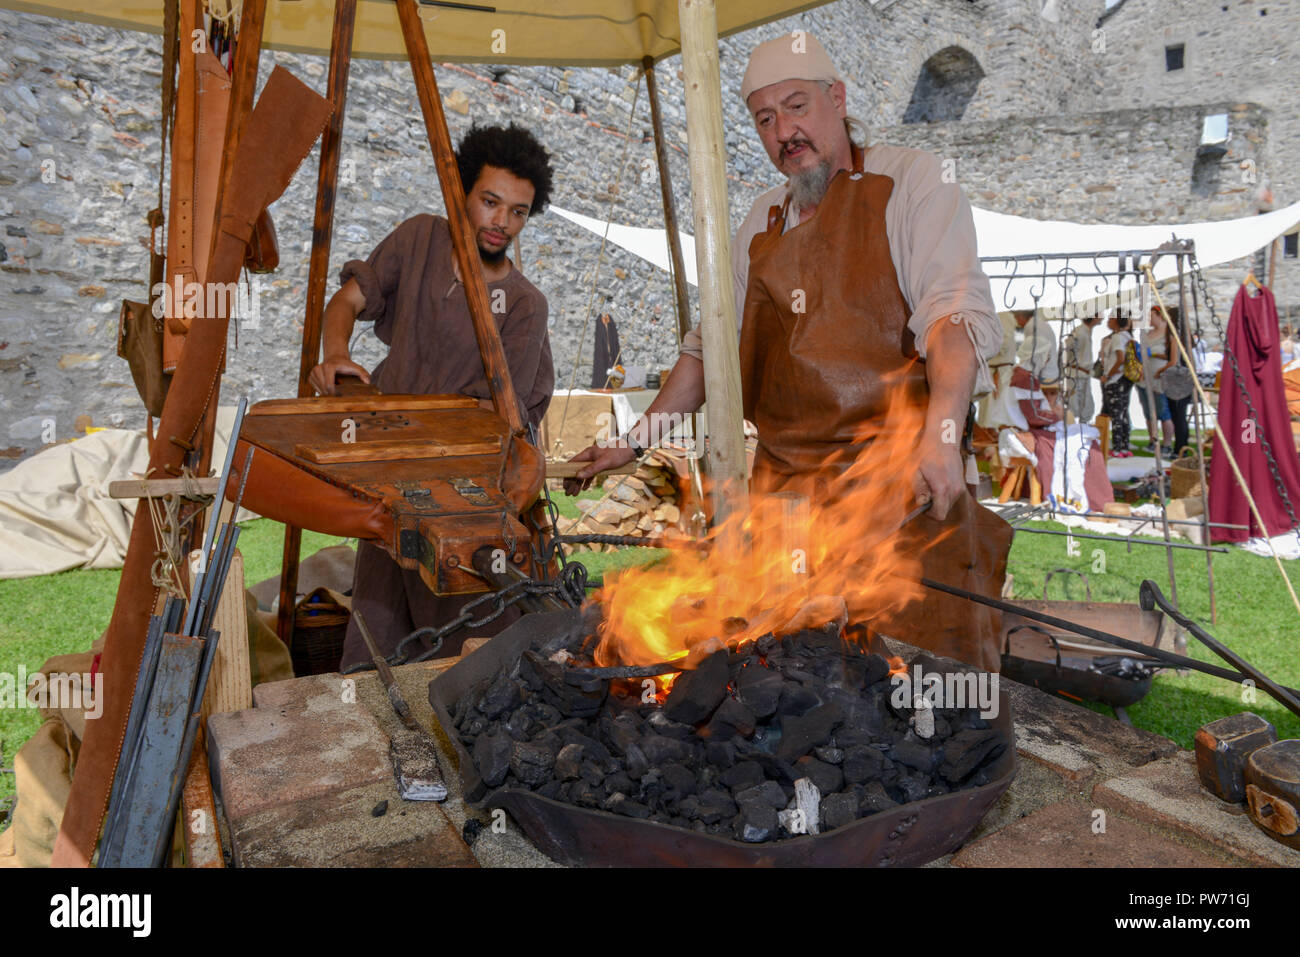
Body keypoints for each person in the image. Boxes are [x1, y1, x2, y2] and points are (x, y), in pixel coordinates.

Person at [564, 32, 1010, 672]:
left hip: (900, 501)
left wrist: (940, 434)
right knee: (790, 689)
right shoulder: (759, 222)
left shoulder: (912, 184)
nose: (784, 132)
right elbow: (705, 354)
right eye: (765, 119)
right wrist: (634, 441)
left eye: (797, 107)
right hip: (787, 517)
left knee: (925, 694)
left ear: (838, 98)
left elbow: (952, 319)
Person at [307, 123, 556, 669]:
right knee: (376, 635)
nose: (501, 222)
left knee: (463, 648)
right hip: (385, 477)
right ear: (461, 193)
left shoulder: (524, 305)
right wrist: (335, 355)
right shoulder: (419, 239)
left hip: (460, 494)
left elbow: (494, 419)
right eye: (490, 202)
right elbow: (345, 302)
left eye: (518, 211)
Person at [1136, 306, 1174, 456]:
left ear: (1159, 315)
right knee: (1148, 412)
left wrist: (1155, 354)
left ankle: (1167, 443)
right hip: (1144, 376)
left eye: (1151, 315)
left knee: (1163, 411)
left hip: (1159, 376)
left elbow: (1172, 356)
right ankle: (1153, 440)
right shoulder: (1147, 333)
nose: (1149, 319)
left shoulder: (1168, 333)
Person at [1100, 313, 1135, 457]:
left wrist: (1108, 375)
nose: (1108, 321)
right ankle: (1125, 446)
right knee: (1124, 411)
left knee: (1116, 414)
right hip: (1126, 378)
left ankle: (1117, 448)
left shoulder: (1117, 338)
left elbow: (1120, 358)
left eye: (1110, 318)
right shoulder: (1128, 336)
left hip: (1116, 379)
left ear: (1116, 320)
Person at [1063, 314, 1101, 423]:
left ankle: (1083, 428)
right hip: (1076, 374)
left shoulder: (1086, 331)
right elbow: (1067, 347)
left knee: (1087, 404)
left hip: (1083, 373)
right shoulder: (1079, 332)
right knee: (1074, 404)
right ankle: (1072, 428)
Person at [1013, 309, 1060, 385]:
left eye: (1016, 318)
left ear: (1020, 317)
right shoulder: (1042, 323)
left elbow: (1040, 352)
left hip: (1043, 373)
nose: (1017, 322)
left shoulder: (1031, 326)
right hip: (1051, 371)